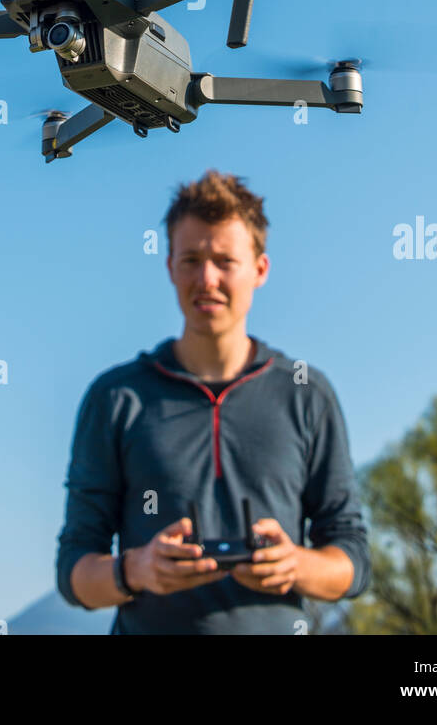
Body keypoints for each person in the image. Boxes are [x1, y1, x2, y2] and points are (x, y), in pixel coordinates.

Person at [55, 169, 370, 635]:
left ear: (260, 269)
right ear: (168, 267)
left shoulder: (307, 393)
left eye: (225, 260)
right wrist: (136, 569)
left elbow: (353, 558)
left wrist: (294, 564)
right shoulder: (117, 397)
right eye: (191, 260)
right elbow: (74, 570)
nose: (206, 278)